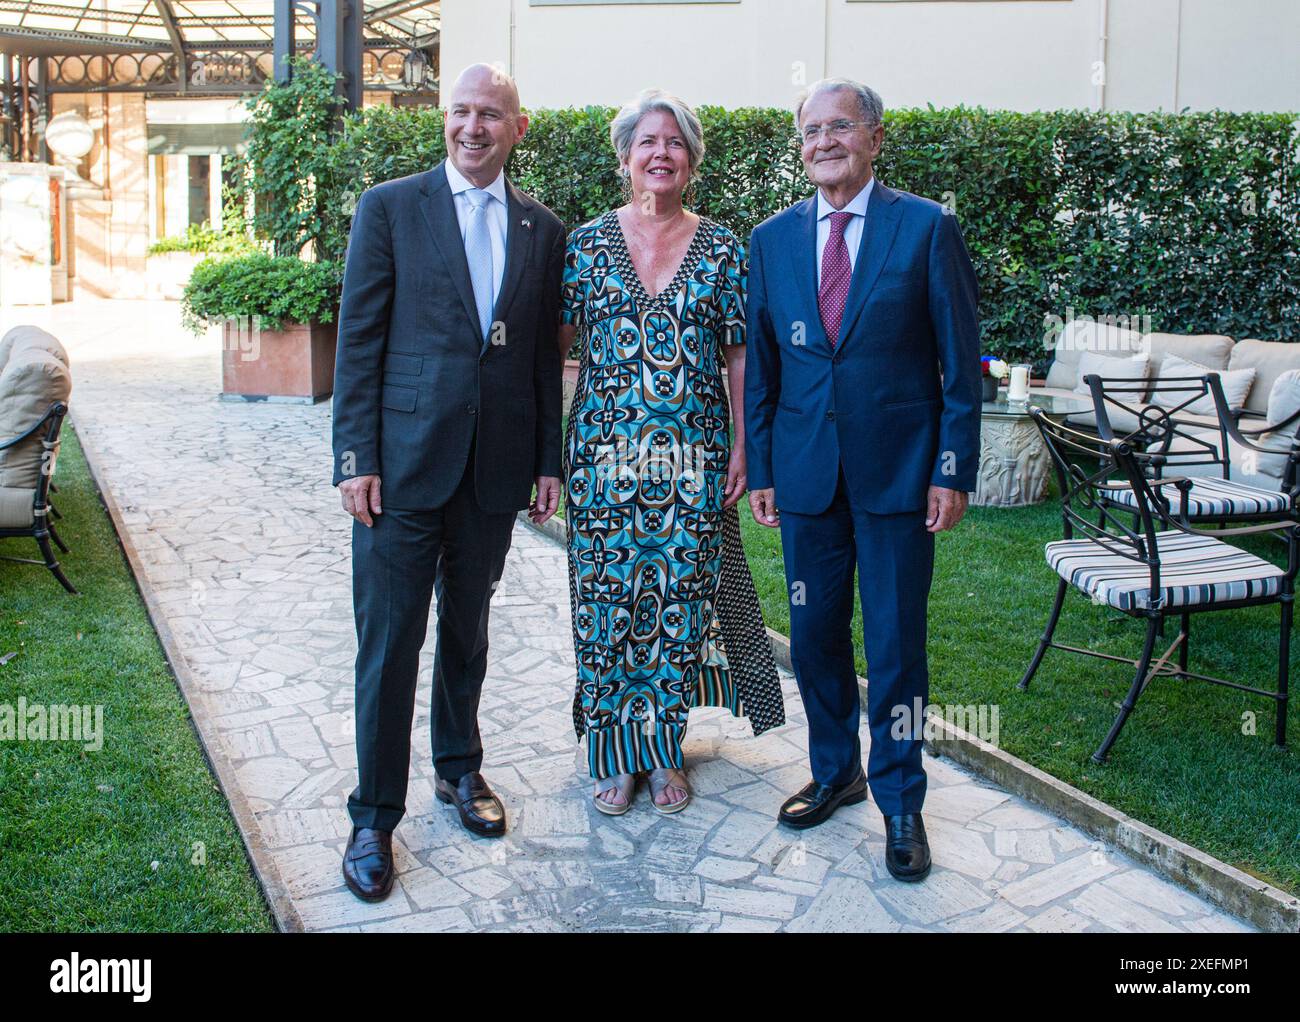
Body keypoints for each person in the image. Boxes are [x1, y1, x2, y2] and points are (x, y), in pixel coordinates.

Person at [331, 64, 565, 901]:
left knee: (467, 631)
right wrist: (356, 458)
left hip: (493, 472)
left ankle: (459, 771)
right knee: (390, 643)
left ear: (518, 128)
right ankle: (372, 816)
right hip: (400, 471)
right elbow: (359, 341)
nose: (475, 127)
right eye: (462, 112)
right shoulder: (390, 207)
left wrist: (547, 459)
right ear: (444, 120)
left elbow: (540, 355)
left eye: (491, 115)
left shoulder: (543, 228)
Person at [744, 78, 980, 882]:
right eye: (810, 131)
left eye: (839, 127)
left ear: (875, 137)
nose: (822, 143)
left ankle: (903, 797)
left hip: (900, 480)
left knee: (896, 643)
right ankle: (837, 767)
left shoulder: (925, 228)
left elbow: (960, 364)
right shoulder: (771, 240)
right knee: (812, 637)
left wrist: (952, 468)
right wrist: (766, 464)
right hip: (808, 477)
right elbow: (766, 369)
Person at [558, 89, 785, 817]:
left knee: (677, 605)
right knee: (608, 606)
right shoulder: (586, 244)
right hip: (603, 457)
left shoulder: (722, 246)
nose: (662, 154)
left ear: (691, 161)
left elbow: (741, 354)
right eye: (648, 143)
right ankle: (614, 757)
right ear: (625, 157)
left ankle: (661, 755)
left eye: (676, 144)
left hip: (694, 456)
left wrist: (746, 446)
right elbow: (553, 352)